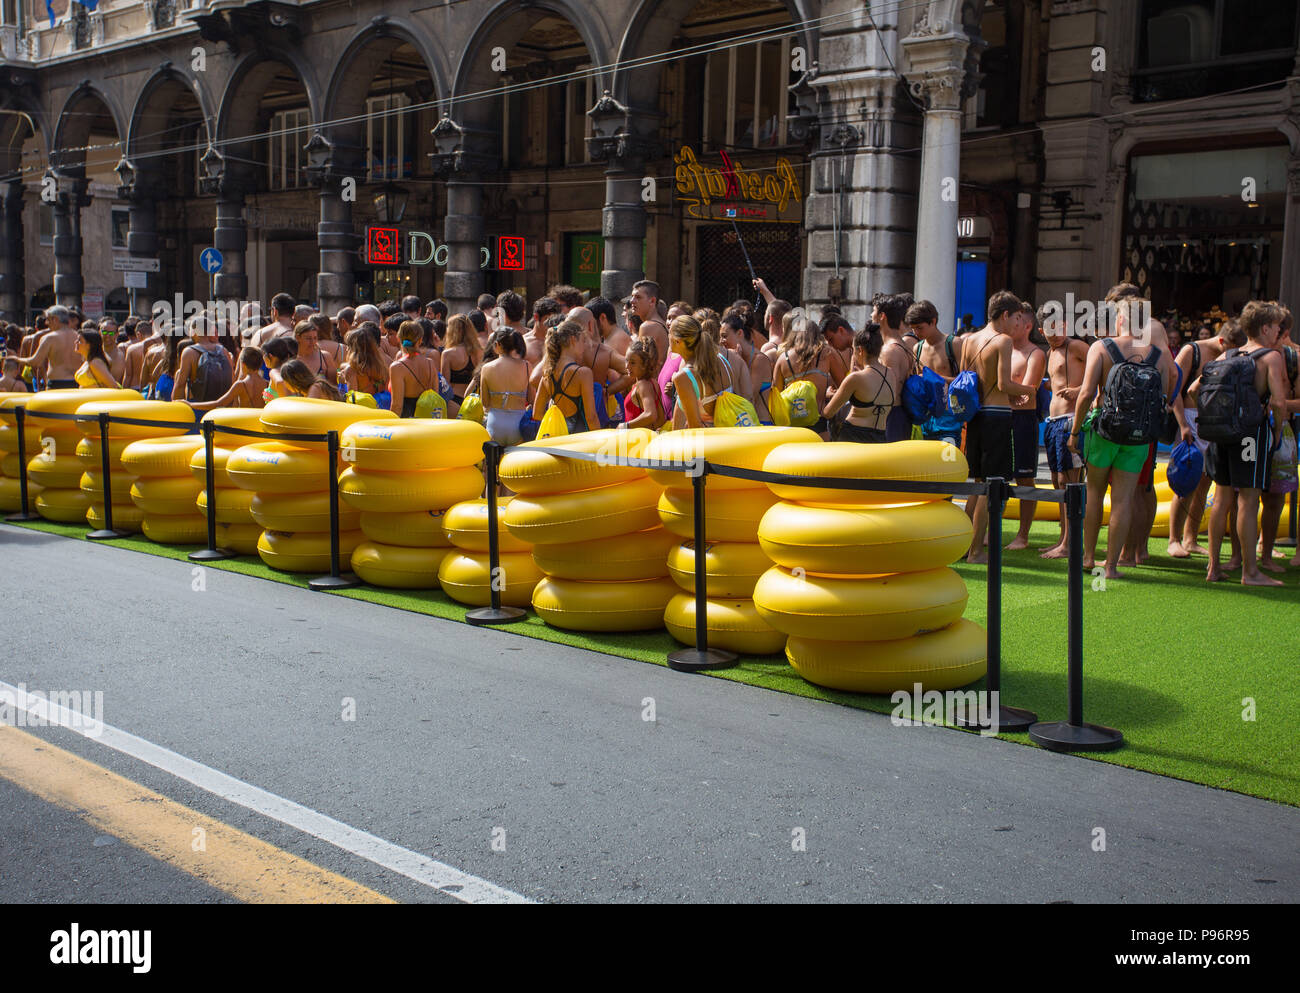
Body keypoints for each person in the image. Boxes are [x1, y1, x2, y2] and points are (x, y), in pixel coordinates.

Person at [1068, 284, 1177, 579]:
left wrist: (1075, 432)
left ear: (1120, 319)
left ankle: (1088, 559)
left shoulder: (1102, 348)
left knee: (1094, 493)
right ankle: (1112, 566)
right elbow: (1166, 391)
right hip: (1138, 437)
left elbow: (1086, 393)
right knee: (1123, 499)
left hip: (1105, 430)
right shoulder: (1158, 354)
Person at [1194, 300, 1288, 586]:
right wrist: (1278, 431)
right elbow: (1279, 402)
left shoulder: (1228, 355)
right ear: (1265, 327)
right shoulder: (1270, 357)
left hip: (1222, 433)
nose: (1278, 332)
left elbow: (1194, 388)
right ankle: (1250, 572)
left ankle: (1213, 566)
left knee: (1222, 499)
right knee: (1248, 499)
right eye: (1276, 327)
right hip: (1250, 434)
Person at [964, 291, 1039, 564]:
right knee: (992, 484)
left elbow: (967, 378)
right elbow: (1004, 384)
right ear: (1005, 315)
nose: (1017, 324)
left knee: (978, 483)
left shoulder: (969, 340)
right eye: (1016, 317)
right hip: (997, 416)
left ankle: (964, 545)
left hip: (975, 416)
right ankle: (976, 551)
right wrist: (1029, 391)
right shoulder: (1003, 341)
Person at [1168, 320, 1236, 557]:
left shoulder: (1229, 355)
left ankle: (1190, 537)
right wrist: (1183, 424)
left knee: (1205, 483)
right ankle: (1173, 539)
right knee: (1185, 482)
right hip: (1189, 418)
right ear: (1221, 341)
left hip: (1213, 422)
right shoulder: (1192, 351)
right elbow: (1174, 389)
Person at [1040, 303, 1089, 559]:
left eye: (1059, 328)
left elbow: (1101, 373)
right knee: (1058, 483)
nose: (1056, 333)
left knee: (1071, 482)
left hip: (1070, 420)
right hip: (1052, 422)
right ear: (1041, 331)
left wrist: (1079, 390)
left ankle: (1071, 542)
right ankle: (1063, 538)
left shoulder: (1077, 346)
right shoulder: (1051, 352)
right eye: (1050, 330)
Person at [1259, 305, 1298, 570]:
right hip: (1255, 429)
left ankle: (1265, 553)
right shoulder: (1252, 353)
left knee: (1273, 496)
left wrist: (1278, 405)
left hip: (1282, 430)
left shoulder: (1294, 358)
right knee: (1245, 495)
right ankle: (1252, 553)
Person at [1007, 301, 1048, 550]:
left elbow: (1029, 392)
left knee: (1024, 477)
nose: (1012, 323)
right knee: (997, 476)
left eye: (1017, 320)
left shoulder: (1036, 353)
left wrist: (1003, 392)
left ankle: (1023, 534)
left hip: (1023, 419)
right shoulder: (1002, 349)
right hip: (1001, 417)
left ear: (1028, 326)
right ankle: (991, 528)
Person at [823, 324, 893, 443]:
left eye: (853, 351)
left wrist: (828, 395)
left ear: (860, 350)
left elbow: (828, 412)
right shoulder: (891, 374)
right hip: (881, 437)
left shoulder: (856, 378)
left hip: (854, 436)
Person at [771, 310, 834, 437]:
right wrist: (829, 410)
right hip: (819, 420)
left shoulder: (783, 359)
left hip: (791, 423)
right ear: (817, 335)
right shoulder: (826, 354)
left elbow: (775, 394)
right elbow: (843, 383)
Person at [670, 314, 734, 430]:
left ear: (678, 341)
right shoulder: (722, 359)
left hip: (710, 444)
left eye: (669, 333)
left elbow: (695, 427)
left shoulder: (685, 377)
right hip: (732, 436)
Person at [533, 321, 598, 433]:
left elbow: (537, 414)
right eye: (583, 341)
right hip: (577, 437)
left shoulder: (548, 373)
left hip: (556, 436)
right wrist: (600, 439)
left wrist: (556, 420)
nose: (585, 346)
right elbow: (591, 417)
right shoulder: (583, 373)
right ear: (573, 340)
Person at [870, 294, 915, 442]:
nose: (871, 314)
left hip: (891, 417)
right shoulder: (902, 345)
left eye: (874, 310)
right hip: (897, 415)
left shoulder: (890, 350)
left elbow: (890, 392)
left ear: (882, 316)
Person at [480, 328, 530, 446]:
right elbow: (531, 398)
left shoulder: (487, 368)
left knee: (492, 462)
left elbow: (485, 402)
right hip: (519, 422)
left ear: (497, 345)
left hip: (495, 422)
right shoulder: (526, 366)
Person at [721, 312, 774, 423]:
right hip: (742, 423)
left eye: (725, 336)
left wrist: (738, 364)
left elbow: (747, 399)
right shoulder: (734, 358)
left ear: (740, 333)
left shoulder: (759, 360)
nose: (721, 341)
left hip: (761, 424)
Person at [9, 305, 80, 389]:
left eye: (48, 319)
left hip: (56, 384)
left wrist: (16, 359)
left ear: (55, 319)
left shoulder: (49, 338)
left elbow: (35, 362)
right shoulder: (79, 336)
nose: (46, 323)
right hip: (77, 384)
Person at [172, 315, 234, 403]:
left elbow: (180, 385)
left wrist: (176, 406)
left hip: (198, 405)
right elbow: (232, 380)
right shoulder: (223, 350)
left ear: (194, 332)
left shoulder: (189, 352)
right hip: (221, 407)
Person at [185, 346, 267, 411]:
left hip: (245, 424)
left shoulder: (240, 385)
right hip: (259, 423)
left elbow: (219, 403)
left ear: (243, 364)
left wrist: (190, 404)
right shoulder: (267, 383)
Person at [389, 322, 442, 418]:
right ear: (420, 340)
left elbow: (397, 405)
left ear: (399, 338)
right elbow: (435, 397)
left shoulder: (397, 367)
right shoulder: (430, 363)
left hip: (407, 421)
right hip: (426, 421)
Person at [442, 314, 483, 418]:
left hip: (453, 401)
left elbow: (445, 384)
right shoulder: (479, 351)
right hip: (474, 402)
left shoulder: (448, 354)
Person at [622, 337, 667, 430]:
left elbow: (651, 414)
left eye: (633, 363)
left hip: (638, 441)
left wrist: (626, 426)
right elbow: (661, 419)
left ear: (644, 365)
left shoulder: (642, 385)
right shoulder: (652, 382)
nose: (627, 366)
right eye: (626, 360)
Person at [341, 327, 391, 407]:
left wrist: (343, 382)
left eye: (348, 346)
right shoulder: (381, 365)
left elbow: (353, 400)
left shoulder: (352, 369)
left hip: (364, 412)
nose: (346, 349)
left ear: (354, 348)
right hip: (382, 410)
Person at [631, 280, 669, 372]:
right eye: (632, 297)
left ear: (652, 301)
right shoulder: (658, 323)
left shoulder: (648, 327)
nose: (632, 301)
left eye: (638, 297)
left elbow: (640, 367)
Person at [260, 336, 294, 401]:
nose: (263, 358)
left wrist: (285, 402)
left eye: (263, 354)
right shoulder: (292, 368)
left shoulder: (274, 371)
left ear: (270, 356)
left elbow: (280, 382)